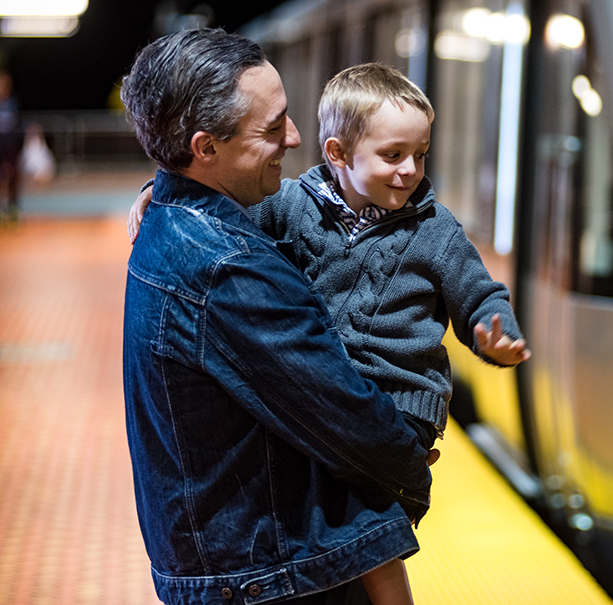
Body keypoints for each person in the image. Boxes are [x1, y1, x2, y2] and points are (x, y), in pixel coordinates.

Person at [130, 62, 531, 605]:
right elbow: (218, 214)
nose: (409, 170)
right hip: (333, 395)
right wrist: (159, 192)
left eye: (420, 154)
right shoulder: (291, 204)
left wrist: (494, 331)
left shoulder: (435, 231)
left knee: (360, 500)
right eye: (392, 155)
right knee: (351, 502)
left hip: (398, 401)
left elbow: (479, 294)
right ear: (338, 154)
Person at [0, 70, 23, 222]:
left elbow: (16, 124)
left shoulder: (13, 102)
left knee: (14, 176)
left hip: (11, 146)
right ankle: (2, 209)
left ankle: (14, 208)